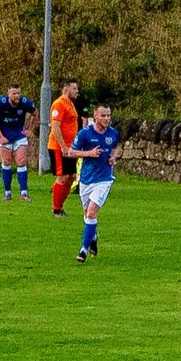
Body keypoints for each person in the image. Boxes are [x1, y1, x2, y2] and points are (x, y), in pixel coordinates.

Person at [71, 103, 119, 263]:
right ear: (95, 116)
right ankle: (93, 237)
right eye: (103, 115)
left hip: (104, 180)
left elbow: (115, 147)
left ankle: (83, 251)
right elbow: (71, 152)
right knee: (87, 216)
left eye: (108, 115)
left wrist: (113, 157)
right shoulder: (85, 133)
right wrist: (89, 153)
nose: (106, 118)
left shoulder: (113, 133)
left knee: (91, 213)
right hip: (86, 180)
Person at [0, 84, 36, 201]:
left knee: (21, 161)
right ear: (8, 94)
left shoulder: (25, 102)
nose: (17, 95)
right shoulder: (0, 103)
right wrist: (0, 136)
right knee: (6, 162)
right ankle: (7, 193)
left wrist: (30, 130)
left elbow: (35, 114)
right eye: (14, 93)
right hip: (5, 135)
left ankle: (24, 193)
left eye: (18, 93)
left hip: (19, 135)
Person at [47, 80, 82, 216]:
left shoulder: (70, 104)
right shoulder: (59, 104)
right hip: (59, 147)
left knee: (71, 176)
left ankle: (60, 206)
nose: (77, 91)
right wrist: (63, 146)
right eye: (74, 88)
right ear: (66, 90)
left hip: (70, 147)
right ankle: (56, 209)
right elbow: (55, 127)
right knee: (63, 177)